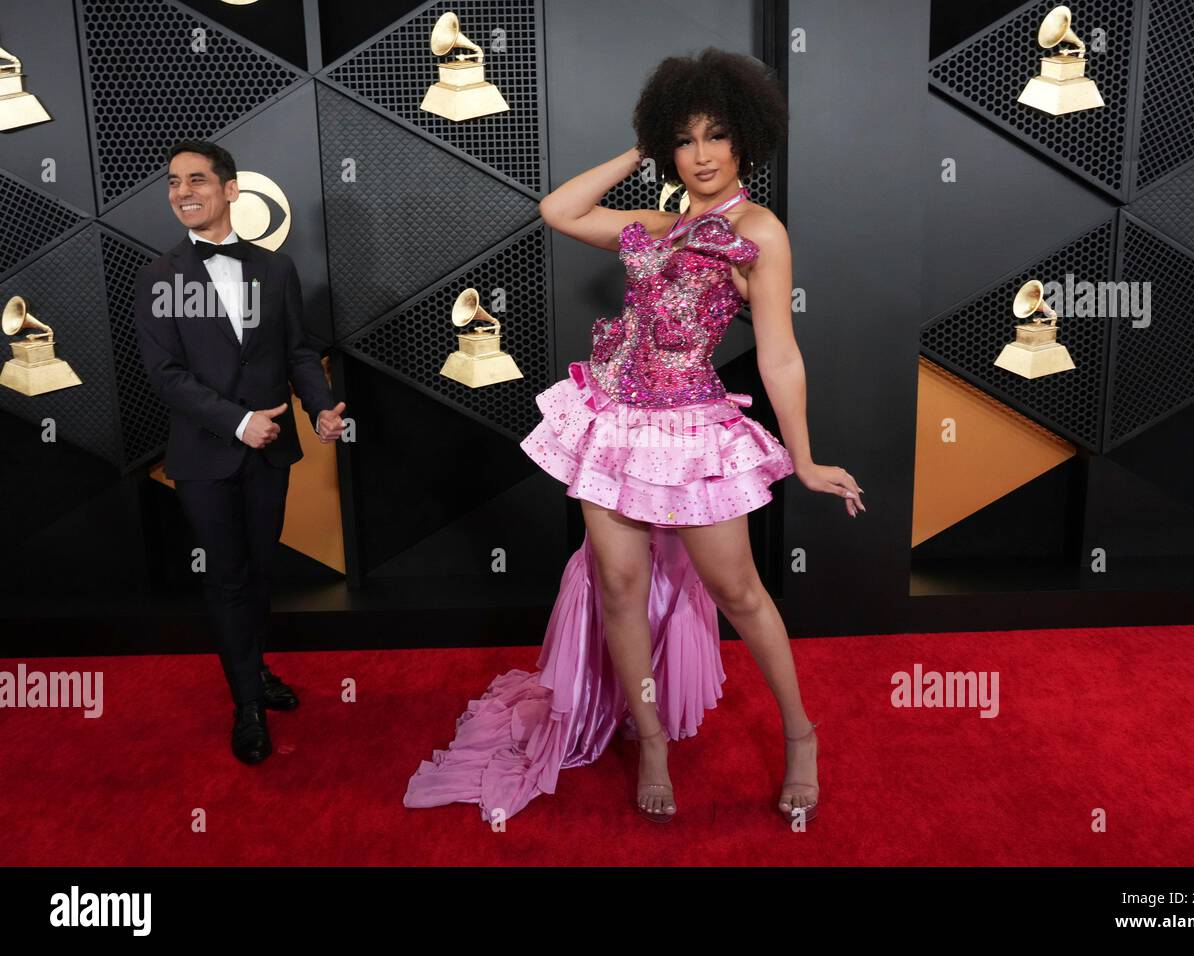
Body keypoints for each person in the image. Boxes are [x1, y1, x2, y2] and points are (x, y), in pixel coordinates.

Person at [404, 48, 863, 824]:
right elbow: (560, 210)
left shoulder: (759, 231)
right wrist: (638, 148)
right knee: (618, 585)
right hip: (614, 425)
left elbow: (780, 351)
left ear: (746, 139)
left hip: (692, 433)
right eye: (685, 139)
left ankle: (801, 736)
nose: (704, 153)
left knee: (739, 593)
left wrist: (805, 454)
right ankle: (649, 735)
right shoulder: (660, 224)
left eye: (717, 135)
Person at [131, 139, 348, 765]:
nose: (182, 192)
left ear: (230, 189)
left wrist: (320, 406)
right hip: (204, 457)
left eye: (196, 179)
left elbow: (299, 352)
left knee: (258, 573)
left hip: (271, 453)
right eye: (173, 182)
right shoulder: (159, 277)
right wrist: (240, 422)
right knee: (226, 576)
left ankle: (253, 673)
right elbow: (167, 375)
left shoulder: (274, 270)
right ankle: (247, 706)